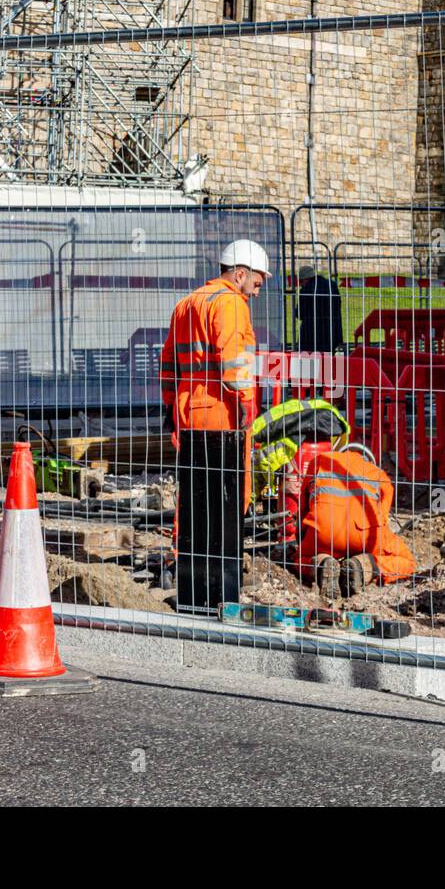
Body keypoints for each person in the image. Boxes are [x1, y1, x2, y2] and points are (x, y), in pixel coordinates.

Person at [160, 238, 269, 612]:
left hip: (189, 416)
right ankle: (222, 587)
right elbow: (234, 362)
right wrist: (247, 404)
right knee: (227, 498)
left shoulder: (186, 304)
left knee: (194, 500)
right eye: (255, 283)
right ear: (239, 274)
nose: (255, 293)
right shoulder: (230, 304)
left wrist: (173, 409)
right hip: (221, 416)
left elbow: (168, 365)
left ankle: (188, 577)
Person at [295, 445, 416, 598]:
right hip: (365, 537)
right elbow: (382, 518)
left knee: (298, 559)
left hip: (324, 533)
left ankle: (320, 564)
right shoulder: (379, 475)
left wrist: (302, 539)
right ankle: (366, 567)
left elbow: (304, 505)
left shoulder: (320, 461)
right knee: (407, 561)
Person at [296, 264, 343, 353]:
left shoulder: (306, 290)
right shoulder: (332, 286)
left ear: (305, 279)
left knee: (308, 362)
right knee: (328, 362)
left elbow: (300, 313)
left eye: (301, 282)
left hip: (311, 335)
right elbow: (338, 306)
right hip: (331, 332)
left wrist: (295, 311)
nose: (301, 285)